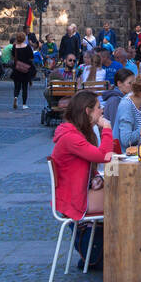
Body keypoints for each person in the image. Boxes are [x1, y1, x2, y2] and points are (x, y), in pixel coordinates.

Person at [51, 91, 115, 223]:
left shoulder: (75, 133)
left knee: (122, 191)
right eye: (98, 107)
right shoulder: (71, 137)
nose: (102, 111)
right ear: (88, 111)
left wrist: (96, 177)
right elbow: (105, 156)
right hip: (74, 200)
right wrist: (107, 129)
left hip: (77, 194)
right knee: (123, 196)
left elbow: (93, 160)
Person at [10, 32, 35, 110]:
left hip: (17, 69)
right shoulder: (27, 47)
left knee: (17, 86)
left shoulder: (14, 47)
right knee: (24, 87)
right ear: (24, 38)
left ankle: (16, 97)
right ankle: (24, 104)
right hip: (25, 69)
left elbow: (13, 56)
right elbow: (31, 57)